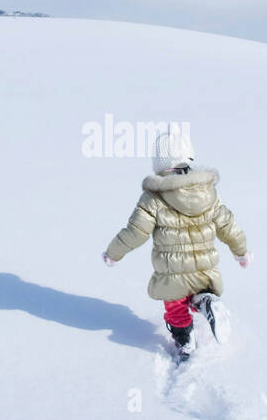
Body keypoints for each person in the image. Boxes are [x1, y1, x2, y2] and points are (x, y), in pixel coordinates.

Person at [102, 131, 251, 359]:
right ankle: (205, 301)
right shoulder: (207, 192)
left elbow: (136, 232)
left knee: (176, 307)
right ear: (189, 158)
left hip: (172, 274)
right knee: (198, 292)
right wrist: (241, 251)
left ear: (159, 164)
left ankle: (185, 342)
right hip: (204, 270)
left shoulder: (153, 197)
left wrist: (114, 253)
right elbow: (227, 225)